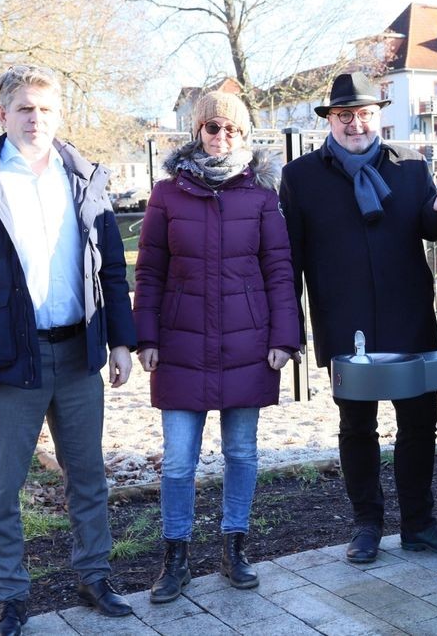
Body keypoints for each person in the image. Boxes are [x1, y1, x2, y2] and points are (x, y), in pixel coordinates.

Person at [0, 64, 137, 635]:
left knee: (88, 475)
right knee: (2, 488)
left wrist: (122, 339)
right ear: (2, 115)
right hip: (5, 363)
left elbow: (110, 267)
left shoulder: (84, 178)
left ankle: (94, 575)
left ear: (59, 113)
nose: (35, 119)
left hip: (78, 354)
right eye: (24, 109)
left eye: (45, 109)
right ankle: (11, 598)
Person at [279, 72, 437, 564]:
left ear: (378, 117)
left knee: (419, 423)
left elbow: (426, 228)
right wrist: (292, 329)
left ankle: (419, 523)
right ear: (331, 119)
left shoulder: (409, 166)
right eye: (345, 115)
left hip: (409, 315)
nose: (355, 124)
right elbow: (291, 259)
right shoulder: (301, 176)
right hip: (345, 322)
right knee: (356, 426)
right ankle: (366, 524)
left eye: (364, 114)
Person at [133, 92, 300, 601]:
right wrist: (146, 335)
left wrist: (284, 337)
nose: (221, 137)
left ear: (245, 136)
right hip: (180, 345)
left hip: (248, 344)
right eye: (212, 128)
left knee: (241, 453)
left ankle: (234, 549)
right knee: (180, 460)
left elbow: (279, 271)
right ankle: (176, 557)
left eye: (232, 129)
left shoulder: (262, 197)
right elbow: (150, 270)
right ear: (196, 131)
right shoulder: (167, 194)